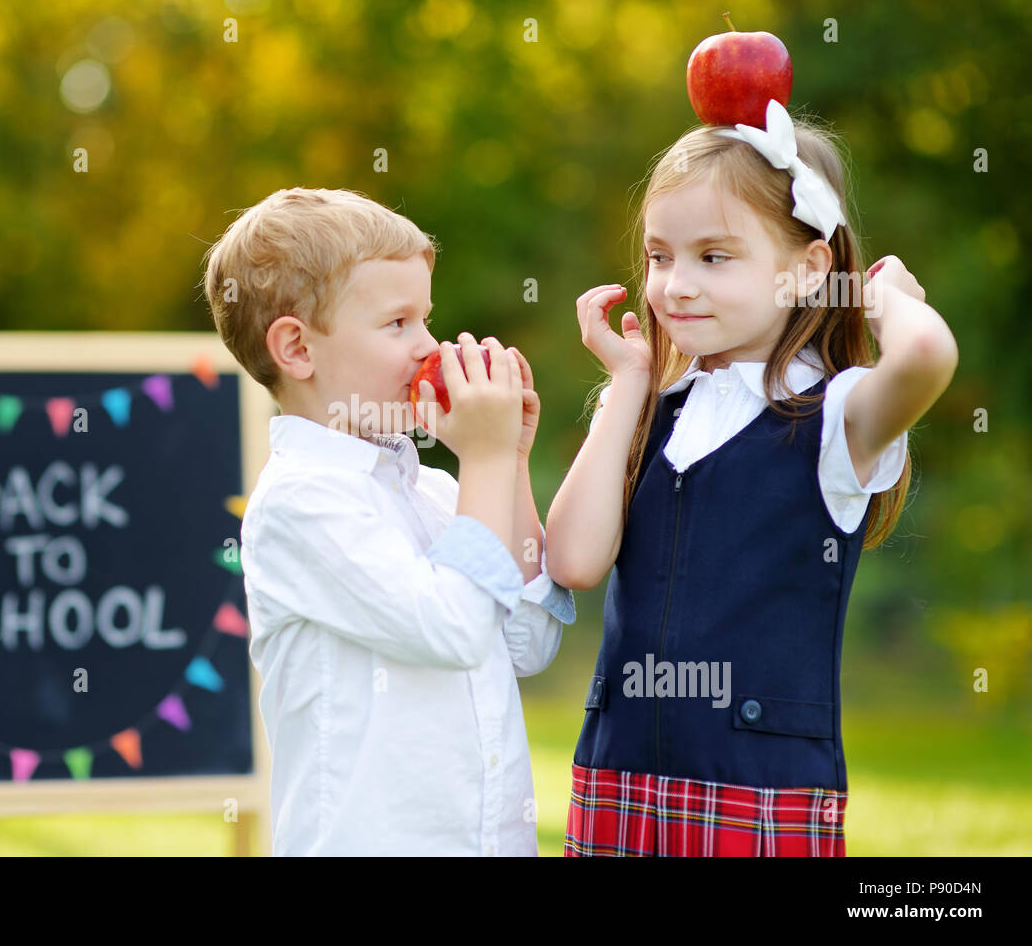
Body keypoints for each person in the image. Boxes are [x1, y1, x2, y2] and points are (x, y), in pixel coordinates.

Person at [545, 100, 959, 856]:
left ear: (805, 271)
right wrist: (630, 384)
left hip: (760, 791)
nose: (675, 285)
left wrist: (889, 300)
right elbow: (571, 560)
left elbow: (926, 358)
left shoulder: (834, 414)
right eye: (659, 255)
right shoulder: (646, 406)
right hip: (617, 776)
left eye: (714, 256)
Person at [203, 187, 575, 855]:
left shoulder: (433, 490)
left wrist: (509, 461)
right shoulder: (301, 503)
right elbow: (452, 626)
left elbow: (526, 641)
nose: (427, 345)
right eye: (397, 323)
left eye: (426, 319)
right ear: (297, 348)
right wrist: (485, 460)